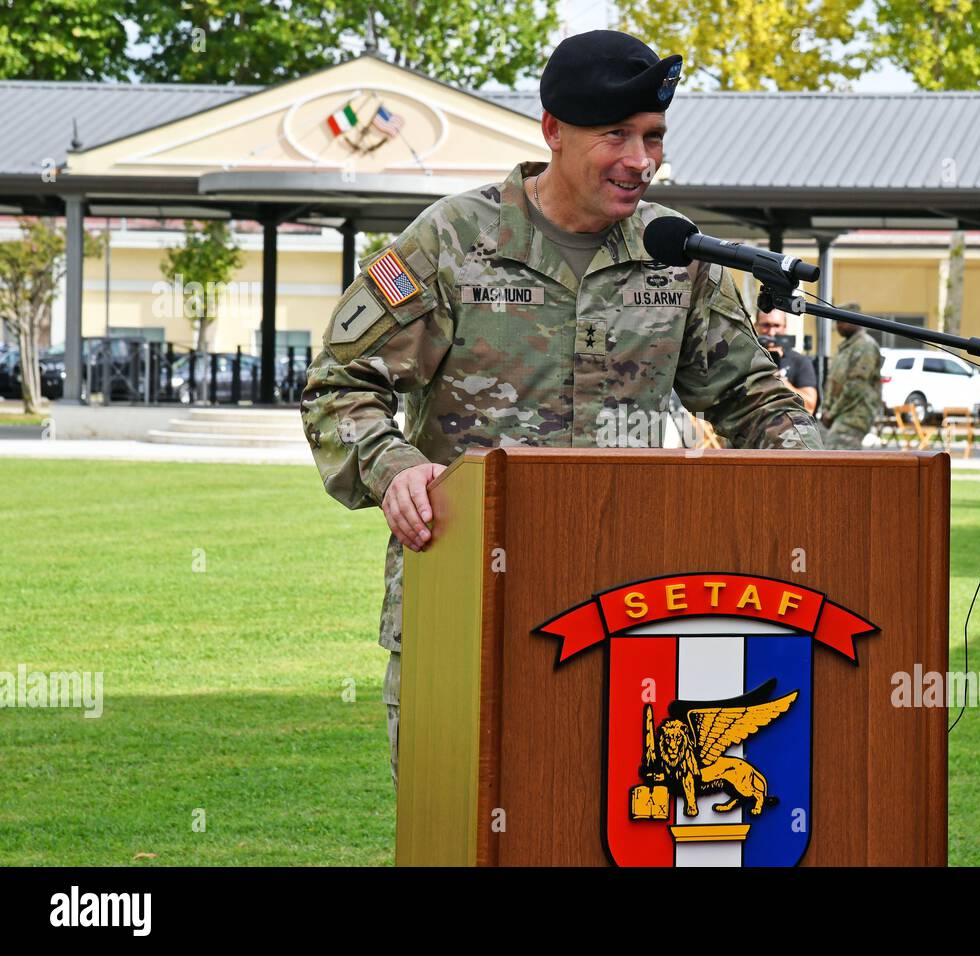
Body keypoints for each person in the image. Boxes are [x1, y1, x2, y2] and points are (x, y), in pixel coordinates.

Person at [299, 29, 823, 790]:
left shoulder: (676, 255)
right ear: (552, 131)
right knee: (462, 815)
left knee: (617, 820)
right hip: (470, 598)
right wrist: (394, 469)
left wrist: (828, 478)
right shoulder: (451, 242)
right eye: (616, 135)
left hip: (635, 606)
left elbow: (750, 397)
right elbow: (337, 386)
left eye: (653, 138)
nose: (640, 161)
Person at [819, 320, 883, 449]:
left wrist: (831, 413)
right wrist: (826, 410)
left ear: (855, 321)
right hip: (836, 413)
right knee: (816, 447)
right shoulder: (846, 347)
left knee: (837, 456)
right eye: (837, 322)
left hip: (855, 413)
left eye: (842, 322)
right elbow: (833, 383)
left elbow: (856, 386)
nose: (838, 326)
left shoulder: (865, 345)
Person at [755, 307, 818, 412]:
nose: (771, 333)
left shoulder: (800, 361)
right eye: (766, 325)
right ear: (755, 326)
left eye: (777, 325)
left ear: (785, 327)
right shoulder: (746, 358)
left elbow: (810, 407)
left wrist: (782, 382)